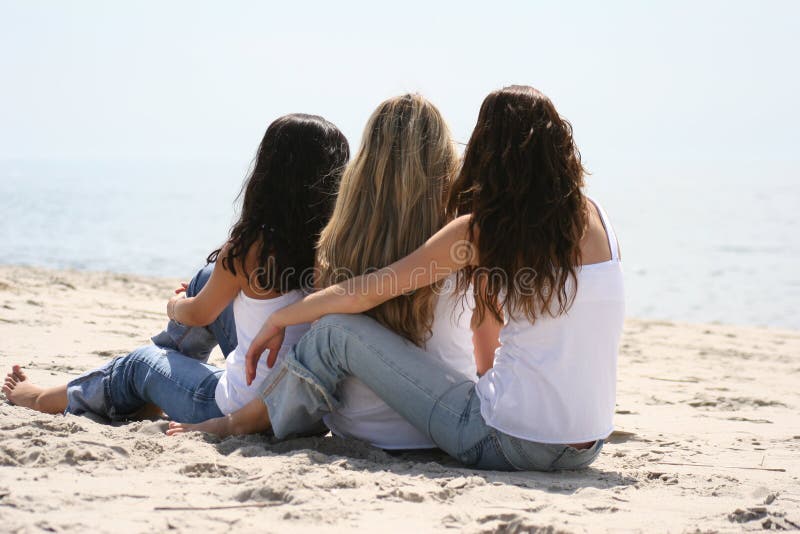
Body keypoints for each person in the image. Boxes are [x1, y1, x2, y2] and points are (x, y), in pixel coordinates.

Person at [237, 85, 624, 472]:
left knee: (335, 331)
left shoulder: (480, 233)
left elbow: (361, 295)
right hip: (587, 447)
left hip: (508, 444)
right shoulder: (601, 221)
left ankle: (242, 422)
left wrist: (280, 317)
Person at [168, 94, 502, 447]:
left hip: (357, 428)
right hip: (440, 425)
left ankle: (180, 356)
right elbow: (487, 358)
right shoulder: (465, 239)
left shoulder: (340, 238)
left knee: (204, 291)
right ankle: (196, 364)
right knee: (210, 281)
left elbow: (319, 348)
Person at [3, 113, 349, 431]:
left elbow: (198, 313)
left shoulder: (251, 249)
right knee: (205, 278)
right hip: (307, 414)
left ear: (268, 175)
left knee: (138, 363)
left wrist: (174, 304)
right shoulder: (337, 247)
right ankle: (145, 390)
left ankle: (42, 399)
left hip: (238, 411)